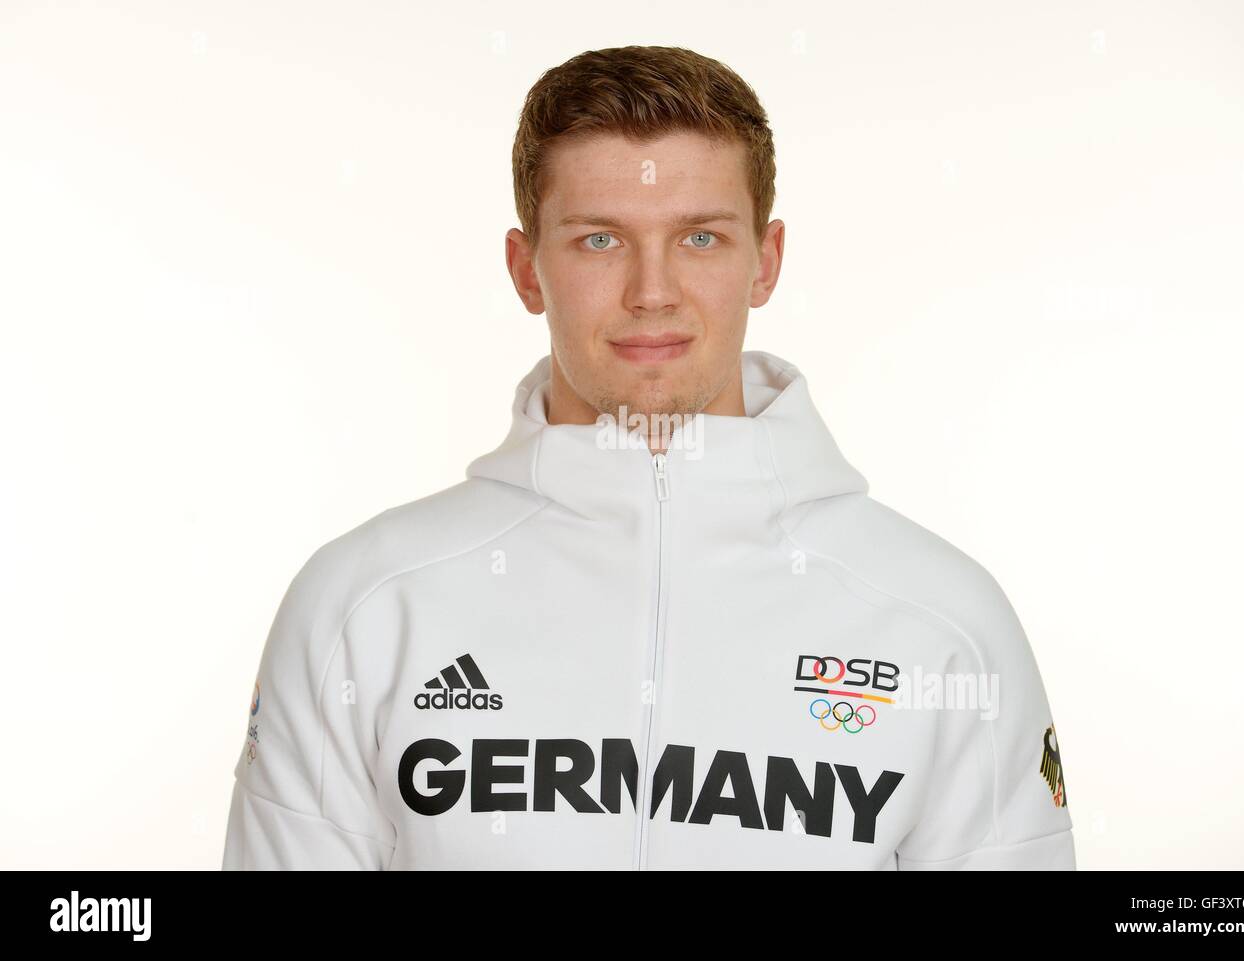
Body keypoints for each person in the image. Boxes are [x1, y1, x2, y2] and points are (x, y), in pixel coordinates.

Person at [221, 44, 1074, 870]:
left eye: (700, 238)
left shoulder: (943, 626)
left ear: (765, 261)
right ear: (526, 270)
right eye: (599, 239)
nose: (652, 290)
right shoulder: (365, 608)